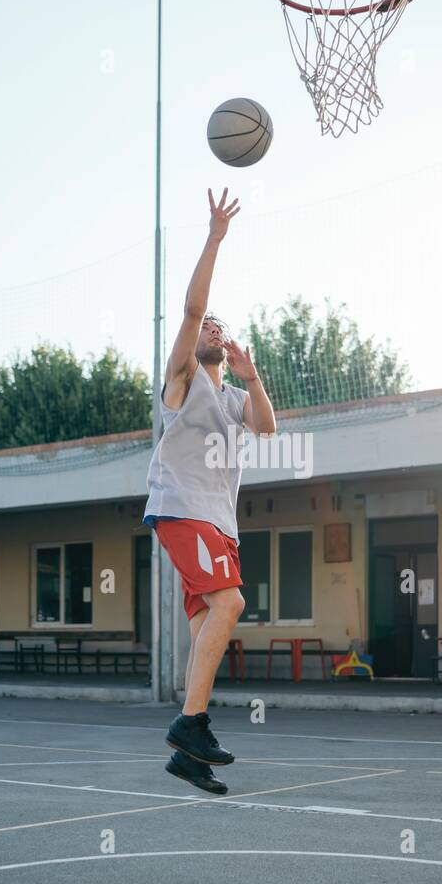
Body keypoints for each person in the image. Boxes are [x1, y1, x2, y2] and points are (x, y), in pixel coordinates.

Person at [143, 188, 276, 794]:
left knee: (208, 631)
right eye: (206, 326)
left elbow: (268, 426)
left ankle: (186, 757)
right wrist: (215, 237)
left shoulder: (231, 398)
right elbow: (193, 309)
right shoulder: (183, 380)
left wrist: (253, 376)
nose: (210, 326)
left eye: (220, 325)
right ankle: (190, 723)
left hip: (218, 525)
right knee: (231, 605)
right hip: (183, 510)